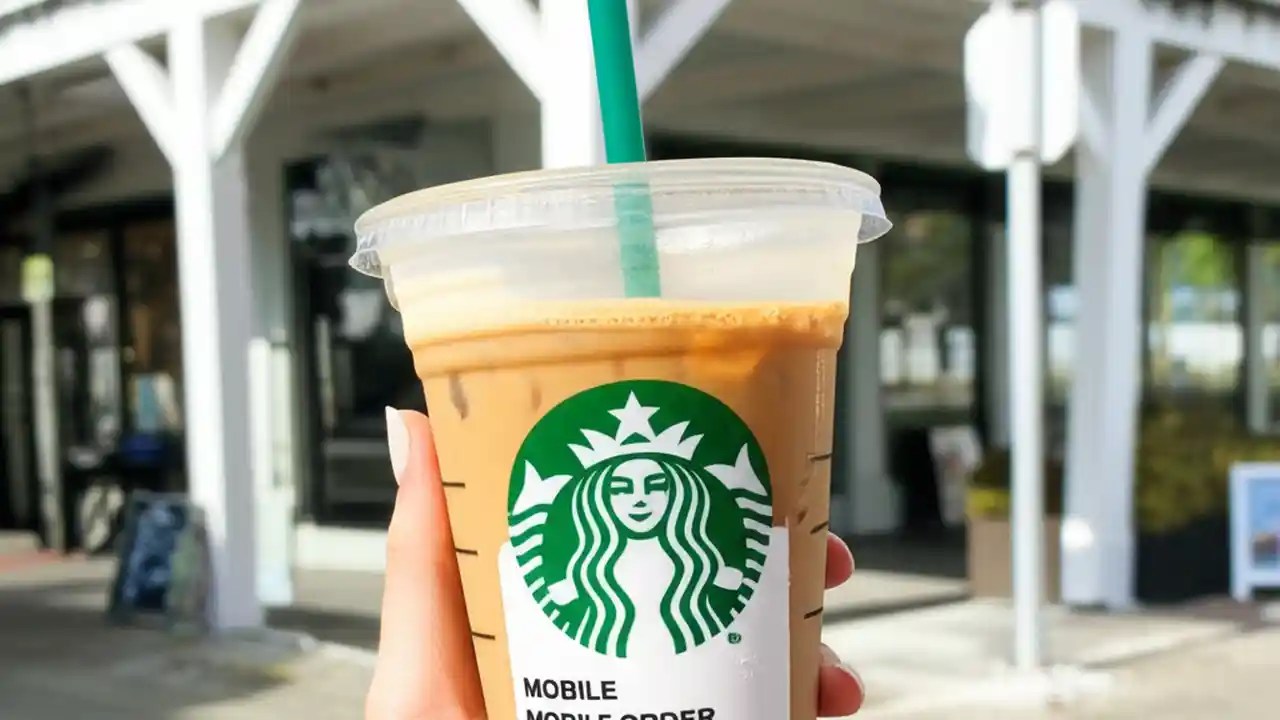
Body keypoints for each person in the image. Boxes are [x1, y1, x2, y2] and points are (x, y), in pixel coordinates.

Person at [367, 409, 868, 719]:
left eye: (655, 485)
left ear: (680, 491)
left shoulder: (713, 575)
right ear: (598, 498)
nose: (638, 500)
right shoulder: (576, 583)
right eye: (621, 487)